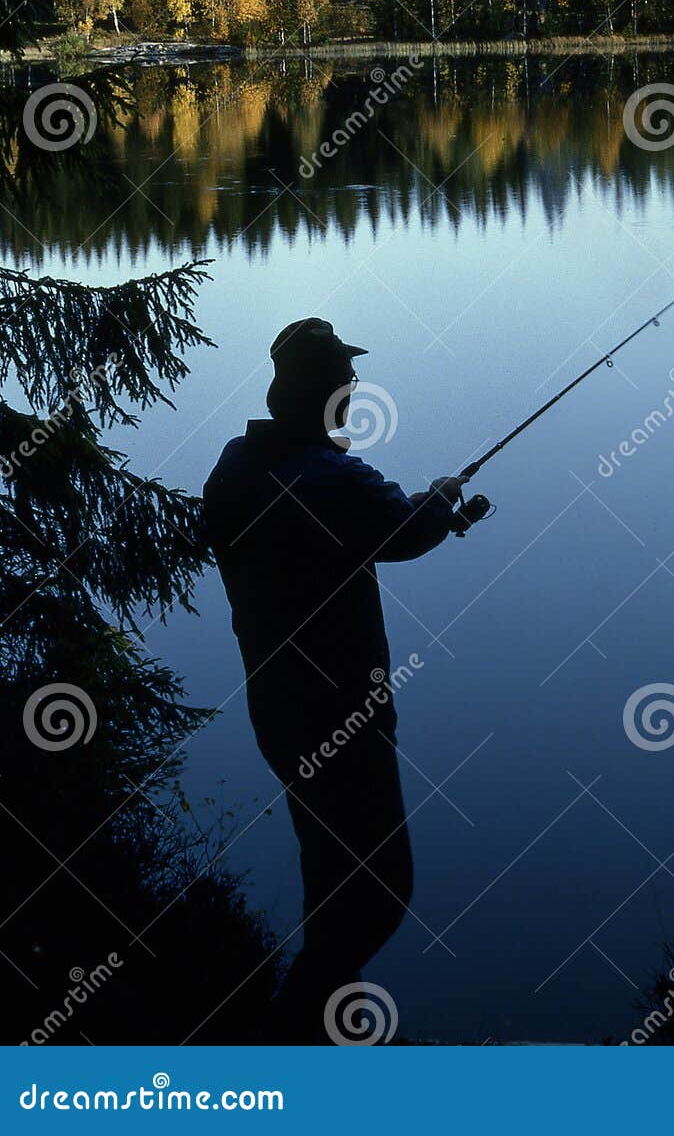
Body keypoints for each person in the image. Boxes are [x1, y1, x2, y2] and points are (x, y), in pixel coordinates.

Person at [203, 318, 475, 1041]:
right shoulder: (332, 478)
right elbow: (404, 531)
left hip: (277, 710)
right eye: (345, 379)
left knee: (330, 874)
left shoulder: (233, 468)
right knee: (382, 889)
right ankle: (303, 1021)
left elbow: (366, 523)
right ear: (323, 393)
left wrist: (424, 507)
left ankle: (317, 1031)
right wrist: (443, 498)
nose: (354, 388)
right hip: (346, 718)